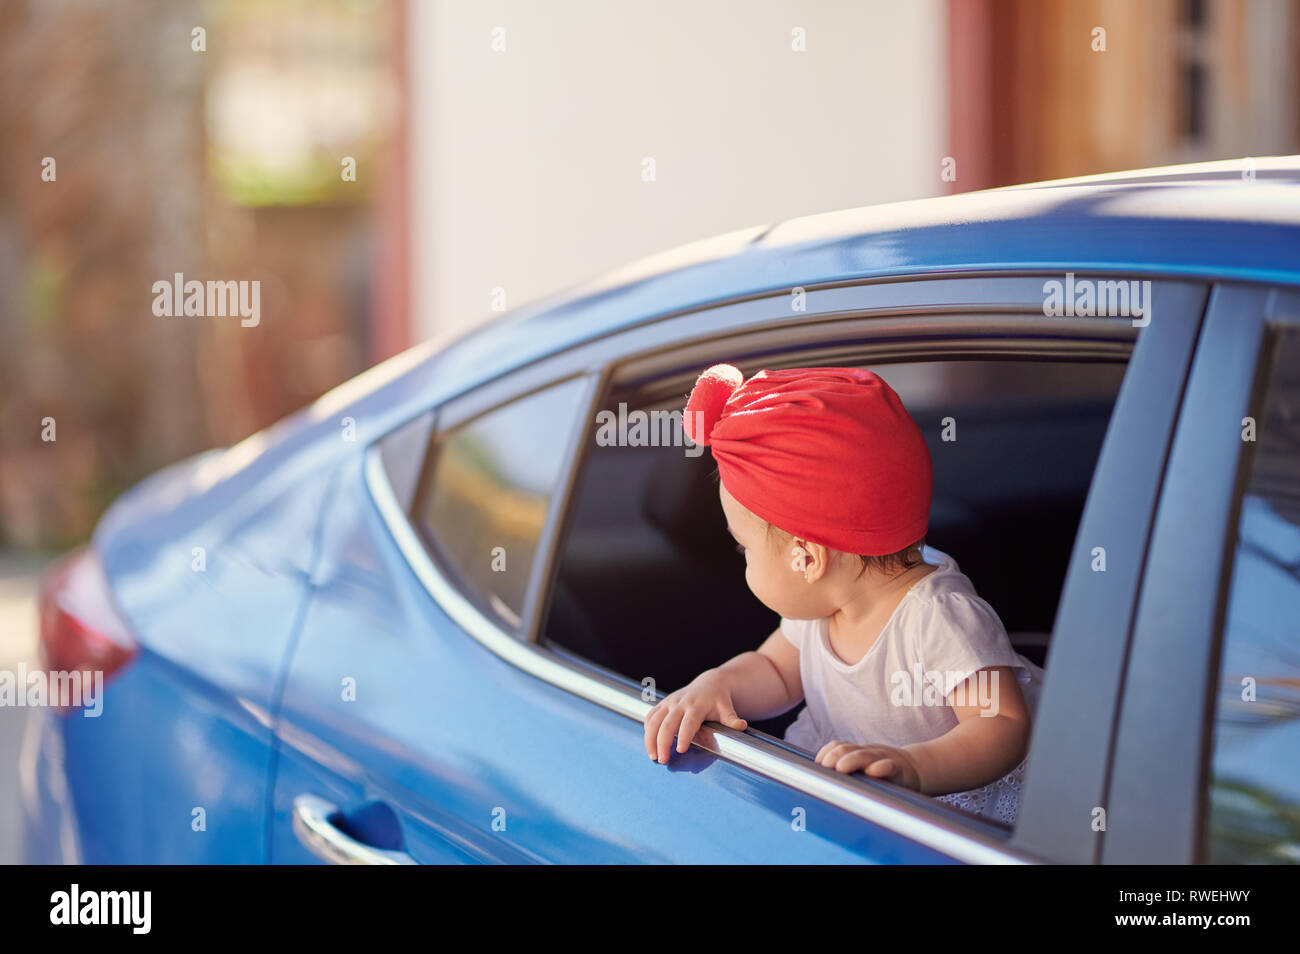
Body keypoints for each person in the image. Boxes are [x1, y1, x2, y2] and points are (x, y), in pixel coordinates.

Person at [643, 363, 1045, 825]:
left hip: (961, 810)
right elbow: (774, 669)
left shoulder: (939, 615)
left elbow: (1002, 723)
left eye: (744, 546)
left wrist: (915, 766)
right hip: (871, 801)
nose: (741, 559)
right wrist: (718, 685)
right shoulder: (821, 608)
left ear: (808, 558)